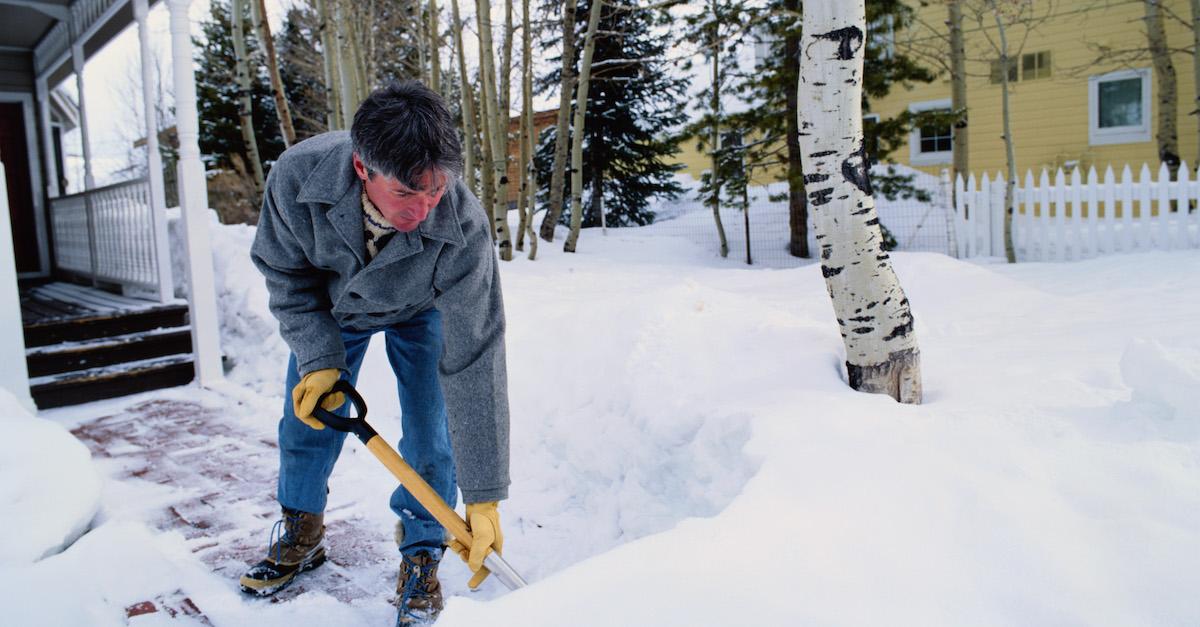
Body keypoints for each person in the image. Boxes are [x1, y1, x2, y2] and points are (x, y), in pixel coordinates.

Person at [240, 80, 510, 625]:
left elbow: (475, 354)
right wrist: (319, 359)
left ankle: (422, 555)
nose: (425, 207)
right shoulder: (296, 177)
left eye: (435, 190)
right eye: (408, 193)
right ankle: (303, 533)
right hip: (333, 312)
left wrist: (483, 495)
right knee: (307, 425)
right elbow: (286, 275)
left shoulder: (462, 222)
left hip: (423, 309)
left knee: (432, 437)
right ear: (363, 169)